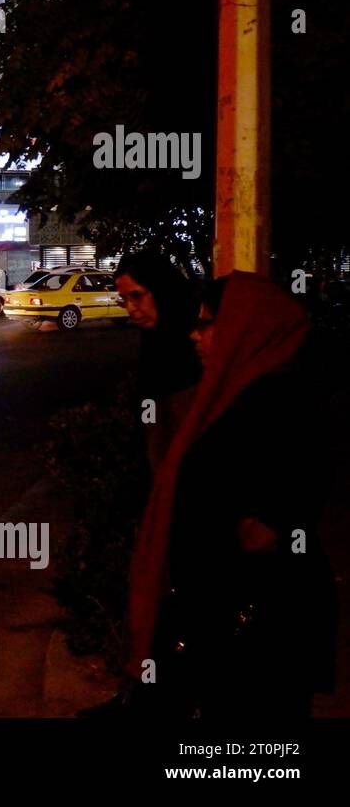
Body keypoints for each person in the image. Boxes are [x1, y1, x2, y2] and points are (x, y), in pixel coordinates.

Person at [121, 272, 337, 716]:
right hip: (228, 616)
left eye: (207, 324)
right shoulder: (230, 391)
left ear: (244, 326)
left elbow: (302, 481)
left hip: (261, 625)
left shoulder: (279, 398)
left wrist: (277, 520)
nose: (193, 334)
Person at [115, 253, 202, 466]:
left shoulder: (201, 346)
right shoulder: (153, 341)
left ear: (163, 292)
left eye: (136, 295)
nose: (130, 308)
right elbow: (148, 400)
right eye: (124, 299)